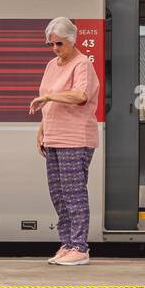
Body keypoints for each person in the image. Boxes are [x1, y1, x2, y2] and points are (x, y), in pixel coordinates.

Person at [30, 17, 100, 266]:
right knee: (58, 194)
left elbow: (80, 96)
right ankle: (67, 243)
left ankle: (80, 247)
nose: (55, 49)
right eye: (50, 44)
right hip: (55, 136)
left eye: (59, 43)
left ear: (72, 40)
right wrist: (42, 129)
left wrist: (49, 96)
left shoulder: (82, 65)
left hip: (75, 138)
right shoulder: (52, 65)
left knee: (74, 193)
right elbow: (48, 104)